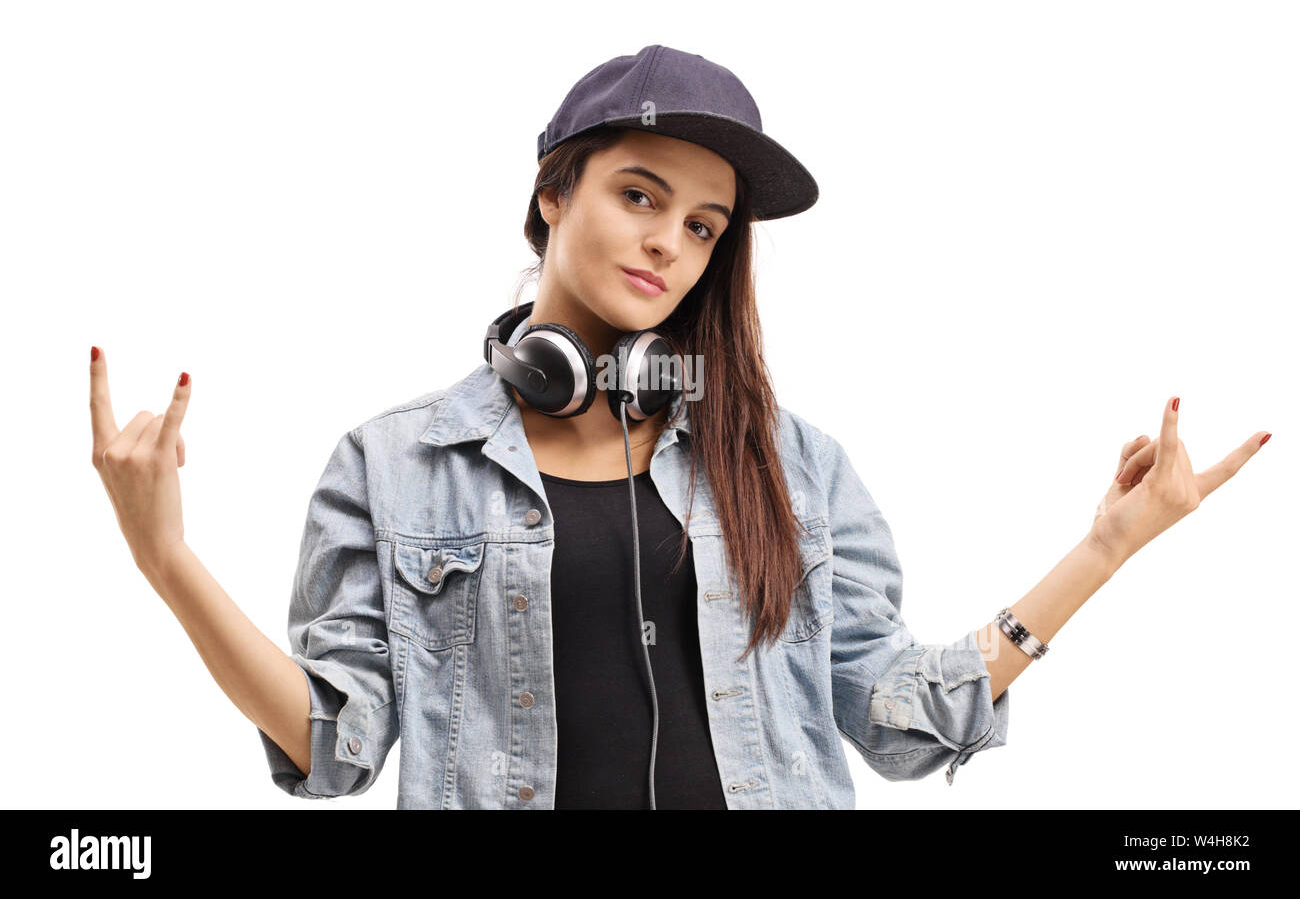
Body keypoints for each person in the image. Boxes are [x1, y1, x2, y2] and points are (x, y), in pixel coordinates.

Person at [88, 45, 1271, 809]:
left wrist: (1106, 550)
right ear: (554, 193)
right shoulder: (395, 466)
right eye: (639, 194)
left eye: (704, 225)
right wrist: (167, 560)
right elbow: (336, 744)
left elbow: (896, 721)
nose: (669, 242)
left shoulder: (791, 465)